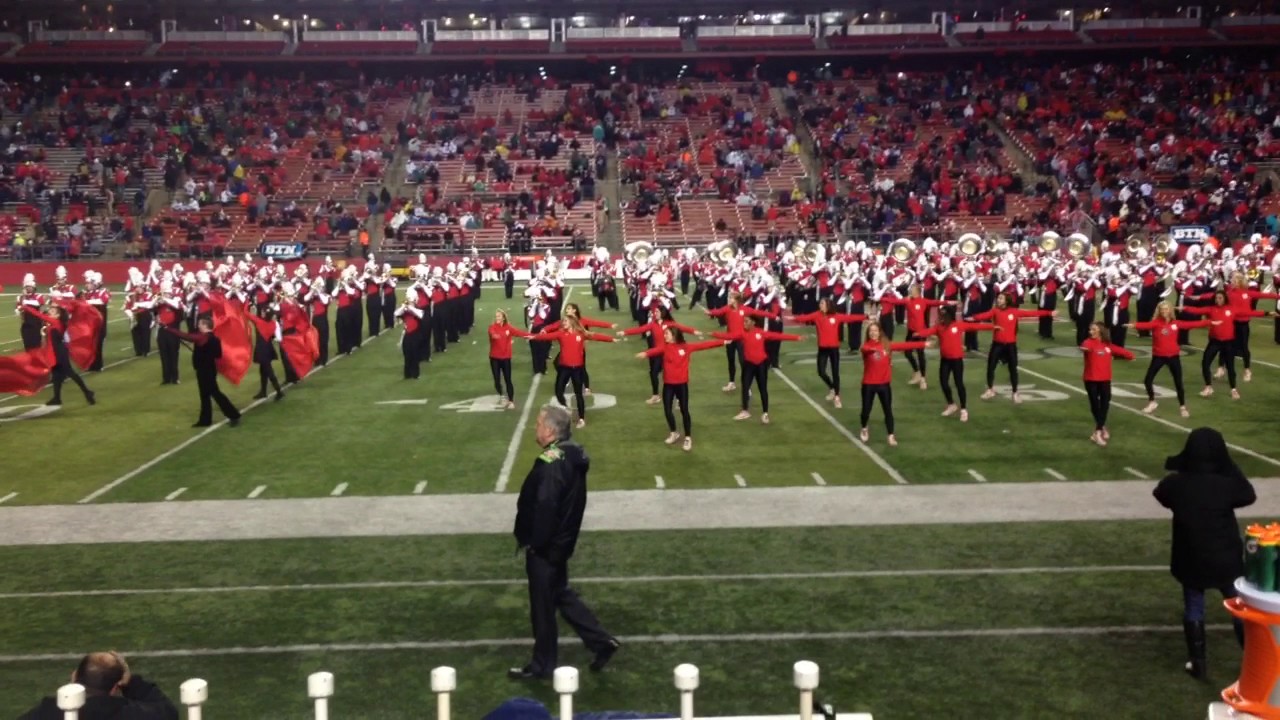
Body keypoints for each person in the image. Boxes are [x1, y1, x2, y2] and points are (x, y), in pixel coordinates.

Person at [509, 404, 620, 680]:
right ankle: (601, 642)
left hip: (547, 547)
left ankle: (543, 665)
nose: (534, 428)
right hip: (560, 544)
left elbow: (545, 506)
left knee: (543, 608)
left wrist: (536, 543)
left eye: (538, 423)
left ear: (549, 430)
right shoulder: (570, 455)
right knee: (561, 595)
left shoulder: (551, 462)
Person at [1154, 428, 1255, 679]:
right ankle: (1253, 656)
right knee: (1238, 606)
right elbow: (1248, 494)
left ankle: (1198, 662)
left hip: (1191, 556)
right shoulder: (1226, 485)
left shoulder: (1176, 484)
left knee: (1194, 606)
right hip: (1225, 558)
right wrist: (1229, 466)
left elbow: (1161, 493)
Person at [18, 650, 178, 720]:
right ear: (116, 688)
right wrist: (131, 683)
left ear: (74, 676)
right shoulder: (128, 713)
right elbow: (168, 713)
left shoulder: (46, 712)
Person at [636, 327, 725, 451]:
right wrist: (645, 353)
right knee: (667, 410)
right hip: (668, 384)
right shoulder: (664, 347)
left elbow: (704, 345)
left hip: (681, 385)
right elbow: (655, 350)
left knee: (684, 410)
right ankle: (674, 432)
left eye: (666, 334)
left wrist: (722, 342)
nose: (664, 335)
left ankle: (688, 437)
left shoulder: (686, 347)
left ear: (674, 335)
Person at [714, 316, 801, 424]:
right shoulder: (742, 333)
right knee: (745, 387)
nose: (744, 323)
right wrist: (713, 334)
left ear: (753, 322)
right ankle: (745, 411)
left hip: (761, 364)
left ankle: (765, 413)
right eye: (744, 321)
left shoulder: (761, 333)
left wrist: (796, 337)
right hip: (749, 364)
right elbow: (728, 335)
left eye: (746, 321)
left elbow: (777, 336)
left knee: (762, 388)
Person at [533, 317, 616, 428]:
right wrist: (532, 336)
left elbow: (595, 336)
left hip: (577, 369)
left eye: (565, 321)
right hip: (564, 368)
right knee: (558, 391)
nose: (563, 323)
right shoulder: (561, 333)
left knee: (578, 394)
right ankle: (566, 407)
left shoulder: (580, 334)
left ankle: (581, 419)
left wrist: (611, 339)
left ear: (572, 322)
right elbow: (546, 336)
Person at [971, 292, 1053, 404]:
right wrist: (974, 317)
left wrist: (1048, 313)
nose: (998, 300)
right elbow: (985, 315)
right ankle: (990, 390)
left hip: (1010, 346)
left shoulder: (1014, 312)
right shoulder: (995, 310)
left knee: (1013, 369)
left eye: (1001, 298)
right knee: (991, 367)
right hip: (997, 344)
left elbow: (1032, 313)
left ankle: (1015, 393)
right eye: (998, 298)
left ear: (1006, 300)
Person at [858, 321, 931, 446]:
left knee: (888, 410)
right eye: (871, 331)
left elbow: (904, 346)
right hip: (869, 384)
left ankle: (891, 435)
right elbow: (865, 349)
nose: (873, 333)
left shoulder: (887, 345)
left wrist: (924, 343)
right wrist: (876, 348)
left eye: (875, 330)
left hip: (884, 384)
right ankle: (864, 428)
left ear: (880, 332)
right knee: (866, 411)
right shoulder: (866, 346)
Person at [1183, 290, 1266, 399]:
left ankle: (1233, 389)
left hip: (1228, 343)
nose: (1218, 300)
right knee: (1205, 363)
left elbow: (1250, 313)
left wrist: (1267, 313)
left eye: (1220, 298)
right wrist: (1185, 308)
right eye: (1217, 298)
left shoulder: (1231, 309)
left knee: (1230, 367)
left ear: (1225, 299)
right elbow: (1198, 311)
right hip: (1214, 342)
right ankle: (1208, 387)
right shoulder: (1211, 309)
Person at [916, 306, 995, 422]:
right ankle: (951, 404)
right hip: (945, 360)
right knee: (943, 382)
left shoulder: (958, 325)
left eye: (943, 314)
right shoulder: (939, 327)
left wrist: (993, 327)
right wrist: (918, 334)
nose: (941, 317)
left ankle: (963, 409)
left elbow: (975, 326)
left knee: (959, 384)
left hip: (957, 360)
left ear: (949, 315)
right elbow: (929, 331)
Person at [1133, 302, 1209, 418]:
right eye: (1162, 309)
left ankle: (1182, 406)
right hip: (1159, 356)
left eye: (1166, 309)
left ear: (1170, 311)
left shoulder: (1176, 323)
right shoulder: (1156, 323)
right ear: (1159, 311)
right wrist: (1133, 325)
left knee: (1178, 382)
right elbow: (1145, 325)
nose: (1164, 311)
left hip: (1173, 357)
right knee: (1148, 380)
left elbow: (1191, 324)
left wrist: (1208, 322)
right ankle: (1152, 402)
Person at [164, 317, 241, 428]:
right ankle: (205, 420)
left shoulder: (204, 337)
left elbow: (187, 337)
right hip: (209, 368)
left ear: (205, 325)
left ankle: (233, 415)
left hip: (205, 370)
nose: (198, 326)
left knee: (215, 393)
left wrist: (169, 329)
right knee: (205, 395)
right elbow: (218, 355)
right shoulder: (215, 338)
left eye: (200, 324)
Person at [791, 297, 865, 409]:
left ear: (828, 305)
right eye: (820, 303)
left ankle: (837, 397)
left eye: (822, 303)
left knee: (835, 373)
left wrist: (866, 317)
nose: (820, 305)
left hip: (834, 349)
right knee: (821, 371)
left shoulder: (836, 316)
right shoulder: (817, 315)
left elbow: (850, 318)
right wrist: (794, 318)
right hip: (823, 348)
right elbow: (804, 318)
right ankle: (832, 388)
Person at [619, 306, 700, 405]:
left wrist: (694, 331)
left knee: (674, 375)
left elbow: (681, 328)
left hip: (669, 352)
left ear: (662, 313)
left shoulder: (670, 324)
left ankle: (679, 399)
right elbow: (641, 329)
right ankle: (656, 396)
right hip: (657, 353)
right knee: (653, 373)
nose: (654, 313)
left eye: (657, 311)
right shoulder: (653, 324)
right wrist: (625, 332)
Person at [23, 304, 96, 407]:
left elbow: (39, 315)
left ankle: (87, 392)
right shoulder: (54, 323)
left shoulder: (56, 322)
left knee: (70, 372)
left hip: (59, 352)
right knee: (57, 376)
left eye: (53, 311)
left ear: (58, 315)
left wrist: (26, 307)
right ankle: (57, 398)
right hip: (55, 351)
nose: (50, 312)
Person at [880, 285, 949, 389]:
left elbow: (935, 302)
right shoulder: (908, 300)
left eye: (912, 290)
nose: (910, 292)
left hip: (921, 332)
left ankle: (923, 379)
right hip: (911, 332)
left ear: (917, 291)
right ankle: (917, 372)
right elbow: (895, 301)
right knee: (907, 352)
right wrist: (881, 298)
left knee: (920, 354)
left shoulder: (923, 301)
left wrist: (947, 302)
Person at [705, 291, 777, 391]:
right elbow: (719, 311)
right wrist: (710, 312)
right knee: (731, 361)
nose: (729, 299)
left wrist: (774, 316)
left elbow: (759, 313)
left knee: (743, 362)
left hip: (741, 339)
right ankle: (731, 382)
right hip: (730, 338)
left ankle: (747, 385)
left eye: (731, 298)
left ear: (736, 300)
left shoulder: (745, 309)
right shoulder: (728, 308)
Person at [1080, 322, 1135, 447]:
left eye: (1094, 329)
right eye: (1090, 329)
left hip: (1105, 379)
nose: (1091, 332)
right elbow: (1084, 346)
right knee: (1095, 405)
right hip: (1091, 379)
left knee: (1105, 404)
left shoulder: (1107, 345)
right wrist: (1085, 349)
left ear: (1101, 331)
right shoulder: (1088, 342)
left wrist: (1130, 356)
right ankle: (1100, 430)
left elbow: (1119, 350)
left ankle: (1098, 430)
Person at [489, 309, 534, 408]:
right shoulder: (492, 327)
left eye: (499, 316)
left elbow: (519, 333)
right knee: (497, 380)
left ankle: (511, 400)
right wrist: (498, 336)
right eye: (496, 316)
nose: (497, 318)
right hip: (494, 358)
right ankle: (501, 395)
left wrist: (532, 336)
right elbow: (493, 335)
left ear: (503, 317)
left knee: (508, 379)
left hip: (505, 358)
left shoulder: (508, 328)